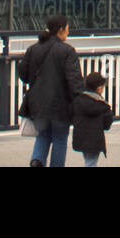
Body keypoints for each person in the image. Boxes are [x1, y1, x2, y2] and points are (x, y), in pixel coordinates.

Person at [20, 14, 84, 166]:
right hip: (60, 104)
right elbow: (74, 80)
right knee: (60, 138)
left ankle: (37, 160)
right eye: (68, 28)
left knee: (43, 135)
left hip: (37, 103)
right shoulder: (67, 51)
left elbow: (23, 73)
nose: (69, 32)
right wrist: (80, 99)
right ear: (61, 29)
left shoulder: (33, 49)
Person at [72, 71, 115, 167]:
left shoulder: (78, 100)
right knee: (91, 163)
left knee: (89, 160)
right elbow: (107, 122)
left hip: (81, 137)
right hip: (95, 140)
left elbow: (72, 115)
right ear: (99, 88)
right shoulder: (102, 105)